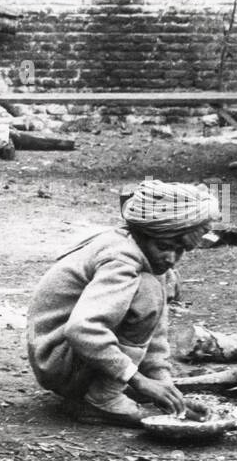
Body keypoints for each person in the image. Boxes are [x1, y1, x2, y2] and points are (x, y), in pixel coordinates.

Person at [26, 179, 220, 427]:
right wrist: (139, 381)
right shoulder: (120, 258)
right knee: (148, 292)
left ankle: (106, 386)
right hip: (58, 361)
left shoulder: (145, 256)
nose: (172, 258)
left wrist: (163, 384)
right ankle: (101, 398)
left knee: (157, 284)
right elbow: (82, 329)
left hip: (74, 359)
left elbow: (155, 332)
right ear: (144, 233)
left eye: (181, 250)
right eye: (165, 247)